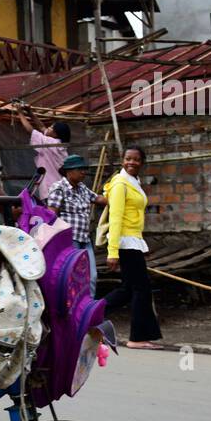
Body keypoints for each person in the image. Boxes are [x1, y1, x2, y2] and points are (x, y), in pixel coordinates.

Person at [103, 146, 161, 348]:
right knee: (141, 289)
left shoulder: (134, 182)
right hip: (125, 242)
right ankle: (137, 338)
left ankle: (89, 314)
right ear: (122, 160)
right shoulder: (120, 183)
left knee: (128, 290)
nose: (131, 162)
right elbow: (115, 218)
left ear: (142, 162)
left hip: (133, 240)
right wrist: (112, 252)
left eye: (136, 159)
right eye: (128, 159)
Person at [46, 153, 107, 293]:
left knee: (91, 276)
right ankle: (73, 311)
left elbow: (99, 199)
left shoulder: (82, 188)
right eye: (79, 169)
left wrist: (118, 196)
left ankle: (88, 311)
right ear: (69, 171)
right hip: (69, 239)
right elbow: (51, 215)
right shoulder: (59, 188)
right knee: (73, 276)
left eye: (83, 169)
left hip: (84, 238)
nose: (83, 172)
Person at [15, 108, 70, 197]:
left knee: (50, 211)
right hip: (61, 188)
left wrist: (20, 112)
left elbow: (31, 130)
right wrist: (30, 113)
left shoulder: (50, 143)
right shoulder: (60, 144)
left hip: (50, 188)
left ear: (55, 134)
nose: (48, 128)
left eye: (51, 127)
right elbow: (42, 127)